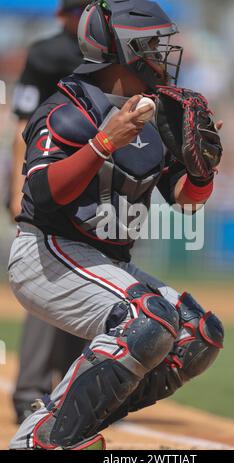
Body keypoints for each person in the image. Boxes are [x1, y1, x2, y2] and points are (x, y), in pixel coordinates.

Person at [8, 0, 224, 450]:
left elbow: (185, 204)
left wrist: (201, 174)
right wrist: (104, 143)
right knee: (146, 319)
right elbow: (45, 193)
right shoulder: (67, 109)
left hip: (104, 260)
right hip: (47, 253)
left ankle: (72, 424)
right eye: (151, 44)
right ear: (118, 49)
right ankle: (40, 439)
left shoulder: (155, 112)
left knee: (197, 335)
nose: (163, 53)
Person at [10, 0, 90, 424]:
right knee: (48, 281)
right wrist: (15, 188)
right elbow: (21, 123)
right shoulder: (48, 54)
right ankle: (30, 391)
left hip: (91, 183)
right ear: (65, 15)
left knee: (89, 285)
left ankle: (68, 387)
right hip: (47, 177)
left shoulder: (107, 57)